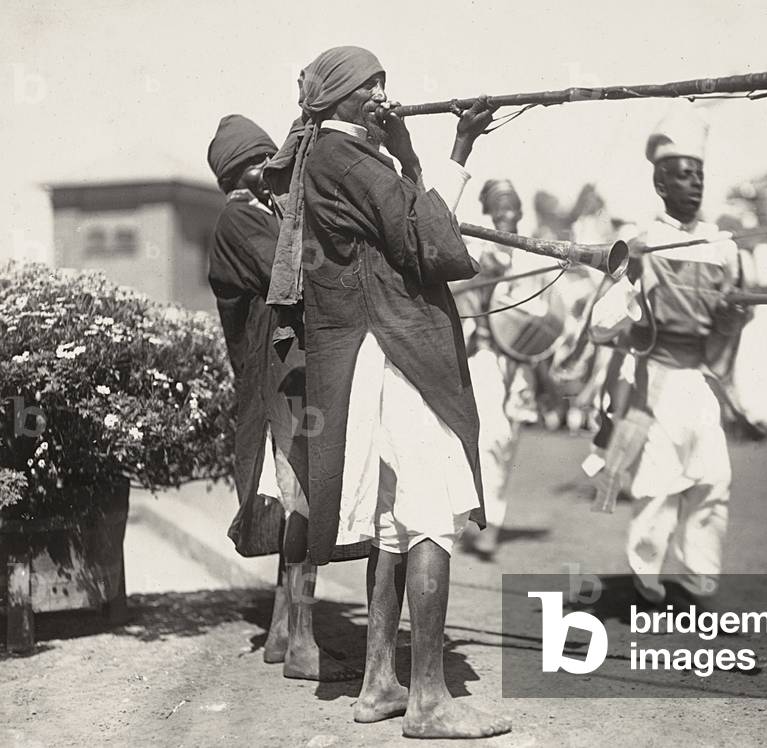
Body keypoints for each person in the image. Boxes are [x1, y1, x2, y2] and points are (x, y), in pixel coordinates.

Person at [264, 47, 510, 739]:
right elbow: (427, 244)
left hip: (372, 354)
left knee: (396, 525)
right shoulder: (352, 161)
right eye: (367, 84)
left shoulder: (336, 158)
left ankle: (379, 683)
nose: (380, 94)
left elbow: (412, 233)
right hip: (396, 349)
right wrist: (424, 155)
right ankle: (429, 699)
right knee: (429, 514)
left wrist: (426, 153)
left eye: (385, 83)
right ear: (337, 99)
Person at [206, 115, 368, 682]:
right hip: (276, 383)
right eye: (258, 162)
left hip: (283, 378)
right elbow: (298, 270)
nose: (269, 167)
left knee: (296, 500)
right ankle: (302, 644)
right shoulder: (238, 220)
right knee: (303, 503)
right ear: (235, 172)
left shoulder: (260, 214)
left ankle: (281, 633)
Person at [590, 105, 747, 604]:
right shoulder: (640, 242)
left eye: (699, 175)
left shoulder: (724, 245)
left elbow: (729, 326)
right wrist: (632, 285)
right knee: (657, 488)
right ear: (661, 185)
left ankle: (702, 580)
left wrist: (732, 313)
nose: (694, 185)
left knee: (714, 480)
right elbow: (599, 326)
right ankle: (647, 582)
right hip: (652, 381)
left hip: (699, 381)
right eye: (683, 176)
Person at [452, 179, 523, 559]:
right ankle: (488, 523)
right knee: (491, 438)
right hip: (484, 356)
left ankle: (489, 513)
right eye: (499, 206)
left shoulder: (533, 255)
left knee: (507, 443)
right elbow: (462, 293)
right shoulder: (477, 247)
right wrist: (485, 273)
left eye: (511, 205)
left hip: (521, 362)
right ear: (490, 212)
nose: (506, 212)